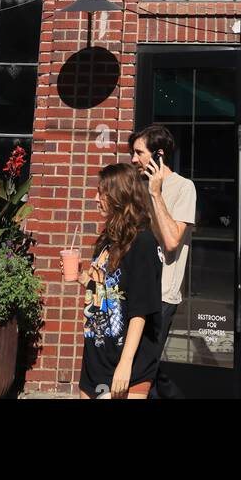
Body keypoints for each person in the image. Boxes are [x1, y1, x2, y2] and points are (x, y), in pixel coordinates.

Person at [73, 162, 163, 400]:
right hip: (97, 355)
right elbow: (109, 290)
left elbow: (140, 309)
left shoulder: (143, 243)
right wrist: (83, 277)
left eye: (100, 193)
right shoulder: (108, 238)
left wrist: (125, 364)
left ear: (118, 196)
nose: (95, 198)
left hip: (127, 365)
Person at [129, 124, 197, 400]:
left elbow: (171, 243)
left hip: (161, 294)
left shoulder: (184, 188)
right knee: (143, 370)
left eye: (138, 153)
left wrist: (156, 194)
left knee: (146, 371)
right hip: (132, 288)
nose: (133, 159)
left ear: (158, 154)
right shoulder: (136, 185)